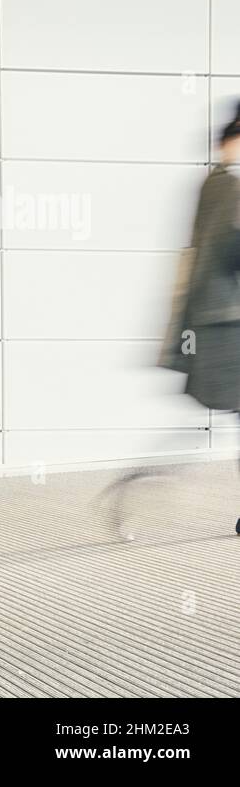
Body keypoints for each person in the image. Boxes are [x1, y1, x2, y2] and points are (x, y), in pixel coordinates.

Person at [159, 100, 240, 535]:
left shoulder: (211, 183)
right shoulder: (231, 188)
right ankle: (152, 474)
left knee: (227, 417)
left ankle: (152, 474)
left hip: (216, 323)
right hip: (231, 325)